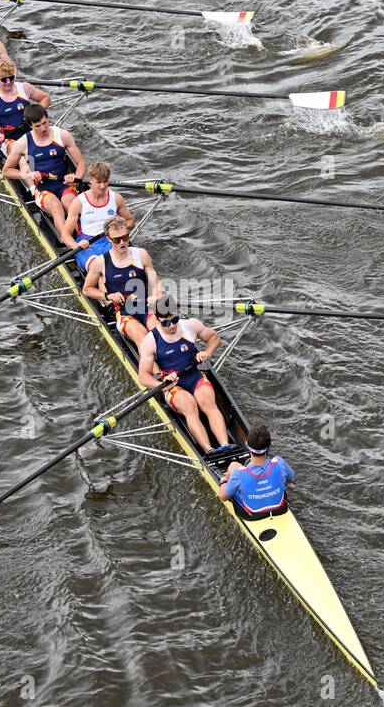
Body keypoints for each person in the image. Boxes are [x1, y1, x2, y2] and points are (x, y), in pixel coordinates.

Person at [137, 297, 235, 456]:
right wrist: (160, 384)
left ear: (177, 313)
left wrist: (206, 352)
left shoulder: (191, 325)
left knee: (208, 402)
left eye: (174, 319)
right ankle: (208, 450)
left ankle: (225, 445)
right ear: (157, 319)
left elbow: (214, 338)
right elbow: (143, 377)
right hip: (172, 385)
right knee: (190, 406)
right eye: (166, 323)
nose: (172, 325)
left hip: (194, 376)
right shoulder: (150, 340)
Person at [1, 103, 86, 236]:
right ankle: (69, 242)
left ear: (47, 118)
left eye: (44, 123)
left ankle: (84, 236)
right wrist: (28, 175)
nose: (43, 128)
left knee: (70, 204)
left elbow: (81, 163)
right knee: (57, 207)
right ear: (30, 126)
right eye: (37, 126)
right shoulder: (23, 142)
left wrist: (76, 179)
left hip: (64, 183)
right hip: (42, 188)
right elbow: (6, 171)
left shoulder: (62, 135)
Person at [82, 214, 156, 346]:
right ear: (109, 239)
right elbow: (87, 290)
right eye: (117, 240)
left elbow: (155, 281)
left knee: (160, 335)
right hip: (122, 312)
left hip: (145, 305)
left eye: (125, 237)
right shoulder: (100, 262)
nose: (122, 242)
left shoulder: (141, 254)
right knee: (145, 341)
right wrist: (107, 295)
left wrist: (156, 294)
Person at [60, 162, 136, 269]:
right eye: (99, 182)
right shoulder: (79, 202)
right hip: (88, 246)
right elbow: (65, 235)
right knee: (100, 269)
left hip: (111, 241)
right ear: (90, 180)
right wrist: (76, 246)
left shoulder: (116, 198)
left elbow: (130, 221)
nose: (103, 186)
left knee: (125, 267)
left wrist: (118, 229)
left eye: (105, 182)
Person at [0, 59, 49, 148]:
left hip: (33, 131)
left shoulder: (25, 88)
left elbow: (45, 98)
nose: (8, 83)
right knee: (23, 152)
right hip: (9, 141)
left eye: (11, 78)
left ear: (15, 76)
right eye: (4, 80)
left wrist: (36, 114)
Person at [219, 425, 292, 517]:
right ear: (269, 446)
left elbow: (223, 497)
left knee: (233, 466)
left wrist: (224, 479)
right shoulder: (279, 462)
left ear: (247, 445)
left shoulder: (238, 473)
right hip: (280, 510)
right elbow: (290, 477)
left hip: (252, 515)